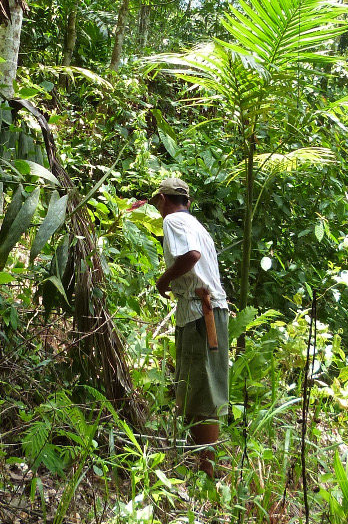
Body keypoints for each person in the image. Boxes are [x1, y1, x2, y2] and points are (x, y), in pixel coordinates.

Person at [152, 176, 229, 477]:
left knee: (205, 391)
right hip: (198, 310)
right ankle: (198, 466)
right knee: (195, 388)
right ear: (188, 201)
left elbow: (191, 256)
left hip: (202, 312)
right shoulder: (197, 225)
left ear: (162, 200)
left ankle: (206, 473)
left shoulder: (173, 222)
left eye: (159, 201)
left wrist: (163, 280)